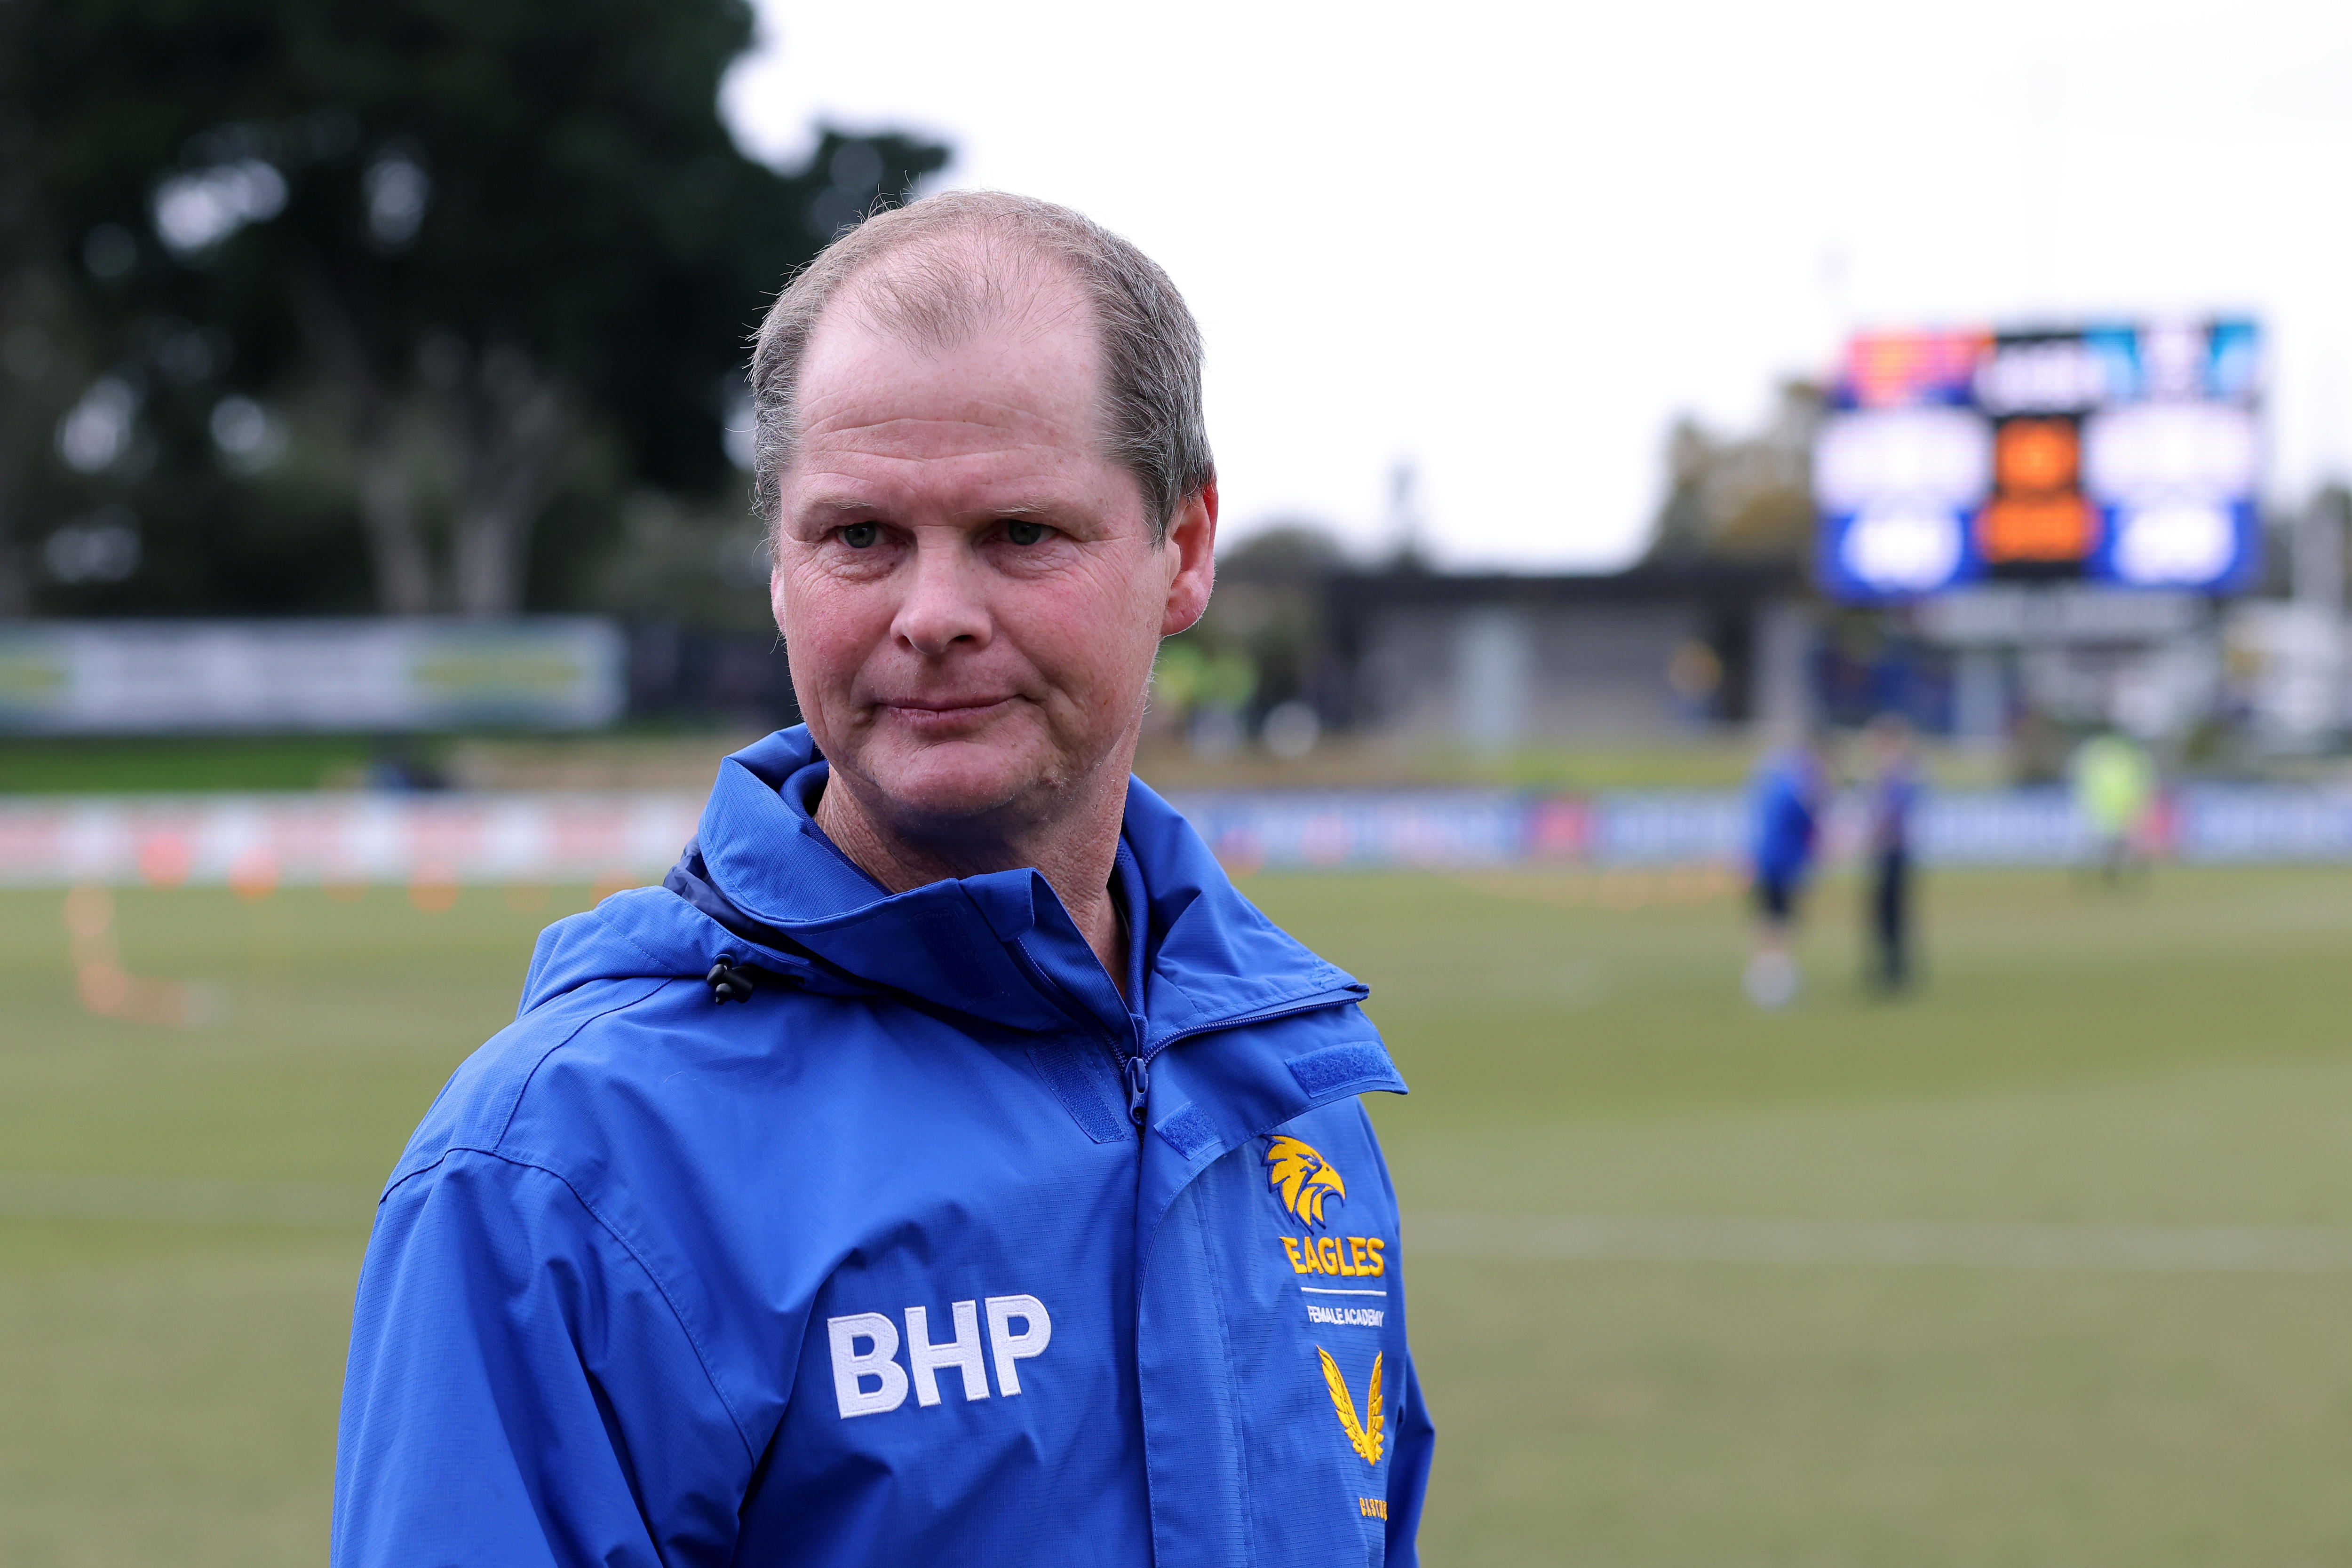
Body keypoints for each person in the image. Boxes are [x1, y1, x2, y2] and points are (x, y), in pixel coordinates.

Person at [332, 194, 1433, 1565]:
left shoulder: (1286, 1091)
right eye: (859, 536)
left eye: (1021, 532)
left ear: (1185, 549)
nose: (931, 614)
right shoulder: (562, 1166)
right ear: (783, 571)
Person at [1744, 729, 1827, 1008]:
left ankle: (1766, 976)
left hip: (1769, 862)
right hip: (1781, 865)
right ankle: (1775, 979)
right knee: (1780, 922)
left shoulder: (1773, 785)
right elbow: (1808, 823)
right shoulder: (1795, 788)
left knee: (1769, 920)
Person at [1862, 712, 1921, 991]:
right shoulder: (1889, 772)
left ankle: (1894, 971)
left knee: (1892, 914)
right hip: (1888, 854)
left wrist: (1874, 837)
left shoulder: (1897, 773)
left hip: (1893, 854)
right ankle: (1888, 968)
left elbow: (1892, 816)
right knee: (1885, 914)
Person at [2070, 729, 2156, 885]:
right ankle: (2112, 876)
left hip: (2112, 807)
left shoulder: (2095, 751)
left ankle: (2114, 876)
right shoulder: (2129, 753)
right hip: (2113, 807)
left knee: (2116, 846)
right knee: (2113, 847)